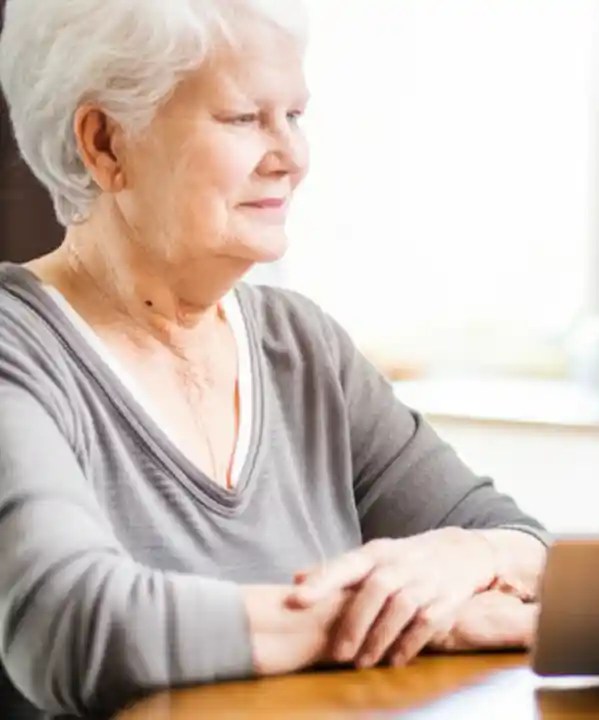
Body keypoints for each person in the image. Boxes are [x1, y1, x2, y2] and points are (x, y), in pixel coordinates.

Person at [0, 0, 546, 715]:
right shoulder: (19, 349)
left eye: (294, 115)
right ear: (105, 143)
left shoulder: (302, 345)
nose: (292, 156)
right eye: (242, 118)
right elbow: (74, 625)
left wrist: (463, 560)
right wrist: (409, 620)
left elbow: (522, 544)